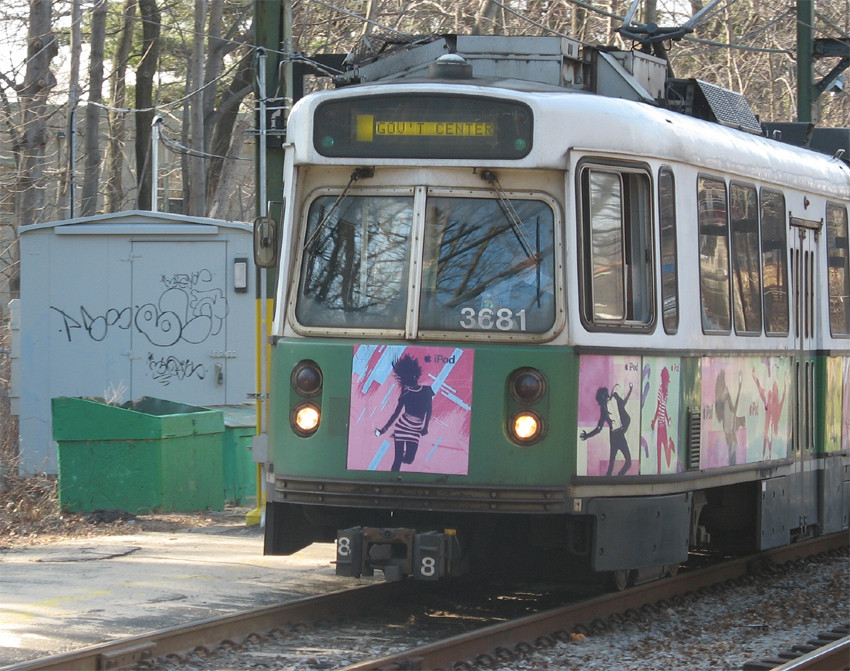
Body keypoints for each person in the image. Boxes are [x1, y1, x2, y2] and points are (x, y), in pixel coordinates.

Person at [375, 354, 434, 471]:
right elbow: (396, 413)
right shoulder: (405, 394)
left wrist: (426, 427)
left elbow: (429, 409)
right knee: (397, 461)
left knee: (409, 459)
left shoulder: (427, 390)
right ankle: (392, 480)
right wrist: (384, 429)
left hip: (416, 428)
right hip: (402, 427)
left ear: (415, 376)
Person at [580, 383, 634, 476]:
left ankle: (617, 479)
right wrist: (587, 435)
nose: (600, 404)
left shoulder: (615, 399)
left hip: (618, 435)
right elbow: (599, 428)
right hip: (616, 435)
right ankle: (614, 481)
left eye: (600, 402)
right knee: (614, 465)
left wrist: (630, 391)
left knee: (623, 463)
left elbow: (623, 404)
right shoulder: (605, 409)